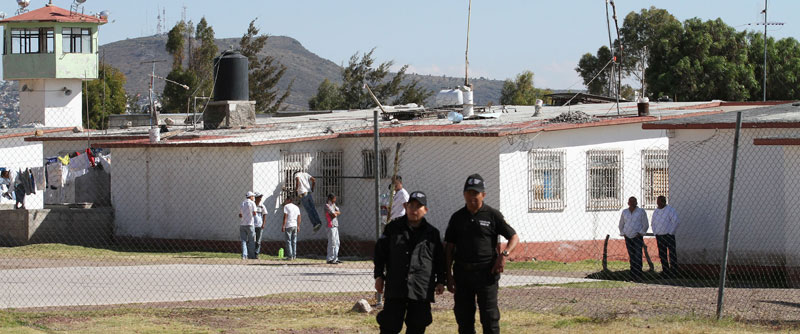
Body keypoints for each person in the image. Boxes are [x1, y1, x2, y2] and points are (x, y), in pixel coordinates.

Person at [445, 174, 519, 334]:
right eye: (469, 193)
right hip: (462, 275)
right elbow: (449, 247)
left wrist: (504, 254)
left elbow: (513, 237)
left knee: (490, 317)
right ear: (464, 194)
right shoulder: (457, 217)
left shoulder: (493, 215)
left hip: (487, 274)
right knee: (464, 318)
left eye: (476, 193)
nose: (472, 197)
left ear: (483, 195)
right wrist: (449, 275)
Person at [374, 191, 445, 334]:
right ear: (406, 207)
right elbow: (380, 254)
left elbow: (439, 260)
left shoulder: (432, 234)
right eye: (411, 205)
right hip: (396, 287)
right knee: (389, 326)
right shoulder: (392, 229)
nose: (414, 209)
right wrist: (379, 276)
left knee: (417, 326)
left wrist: (441, 280)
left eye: (418, 206)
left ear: (425, 210)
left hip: (420, 289)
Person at [619, 196, 649, 281]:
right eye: (631, 202)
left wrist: (641, 233)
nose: (632, 203)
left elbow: (645, 224)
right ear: (628, 203)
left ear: (636, 203)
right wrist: (623, 233)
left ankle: (638, 274)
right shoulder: (624, 212)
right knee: (631, 255)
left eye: (634, 202)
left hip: (637, 237)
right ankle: (632, 273)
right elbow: (621, 223)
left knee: (638, 255)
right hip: (628, 237)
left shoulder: (641, 211)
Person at [652, 195, 679, 276]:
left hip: (668, 235)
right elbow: (653, 223)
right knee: (662, 254)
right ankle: (665, 271)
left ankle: (674, 271)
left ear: (664, 202)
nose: (658, 203)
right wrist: (655, 232)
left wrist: (671, 232)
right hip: (659, 235)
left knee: (672, 254)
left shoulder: (670, 210)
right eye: (657, 202)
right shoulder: (656, 211)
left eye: (659, 201)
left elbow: (676, 222)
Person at [239, 191, 257, 260]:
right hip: (250, 224)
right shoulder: (252, 203)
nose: (254, 197)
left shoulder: (243, 203)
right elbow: (255, 213)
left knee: (243, 240)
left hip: (243, 224)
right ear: (250, 196)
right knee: (251, 240)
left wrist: (244, 215)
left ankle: (244, 255)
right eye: (253, 196)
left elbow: (240, 215)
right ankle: (251, 255)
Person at [282, 196, 302, 260]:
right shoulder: (296, 207)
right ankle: (294, 255)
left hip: (288, 225)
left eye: (285, 200)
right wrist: (298, 226)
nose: (285, 201)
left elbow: (285, 217)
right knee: (294, 241)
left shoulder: (286, 206)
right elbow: (299, 217)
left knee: (288, 241)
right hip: (295, 225)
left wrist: (283, 226)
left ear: (288, 200)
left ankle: (290, 256)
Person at [325, 193, 341, 264]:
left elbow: (339, 212)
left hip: (335, 225)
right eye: (334, 199)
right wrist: (335, 212)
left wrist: (335, 212)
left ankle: (335, 258)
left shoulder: (333, 205)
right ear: (330, 199)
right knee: (332, 242)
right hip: (330, 226)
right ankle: (330, 258)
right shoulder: (327, 206)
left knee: (337, 242)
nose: (335, 200)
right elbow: (333, 215)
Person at [253, 192, 267, 259]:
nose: (260, 198)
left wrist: (263, 224)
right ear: (255, 198)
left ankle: (256, 253)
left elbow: (264, 215)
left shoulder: (262, 206)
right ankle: (251, 253)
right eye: (259, 197)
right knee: (251, 240)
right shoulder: (252, 205)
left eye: (261, 197)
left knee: (258, 241)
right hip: (252, 225)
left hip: (259, 225)